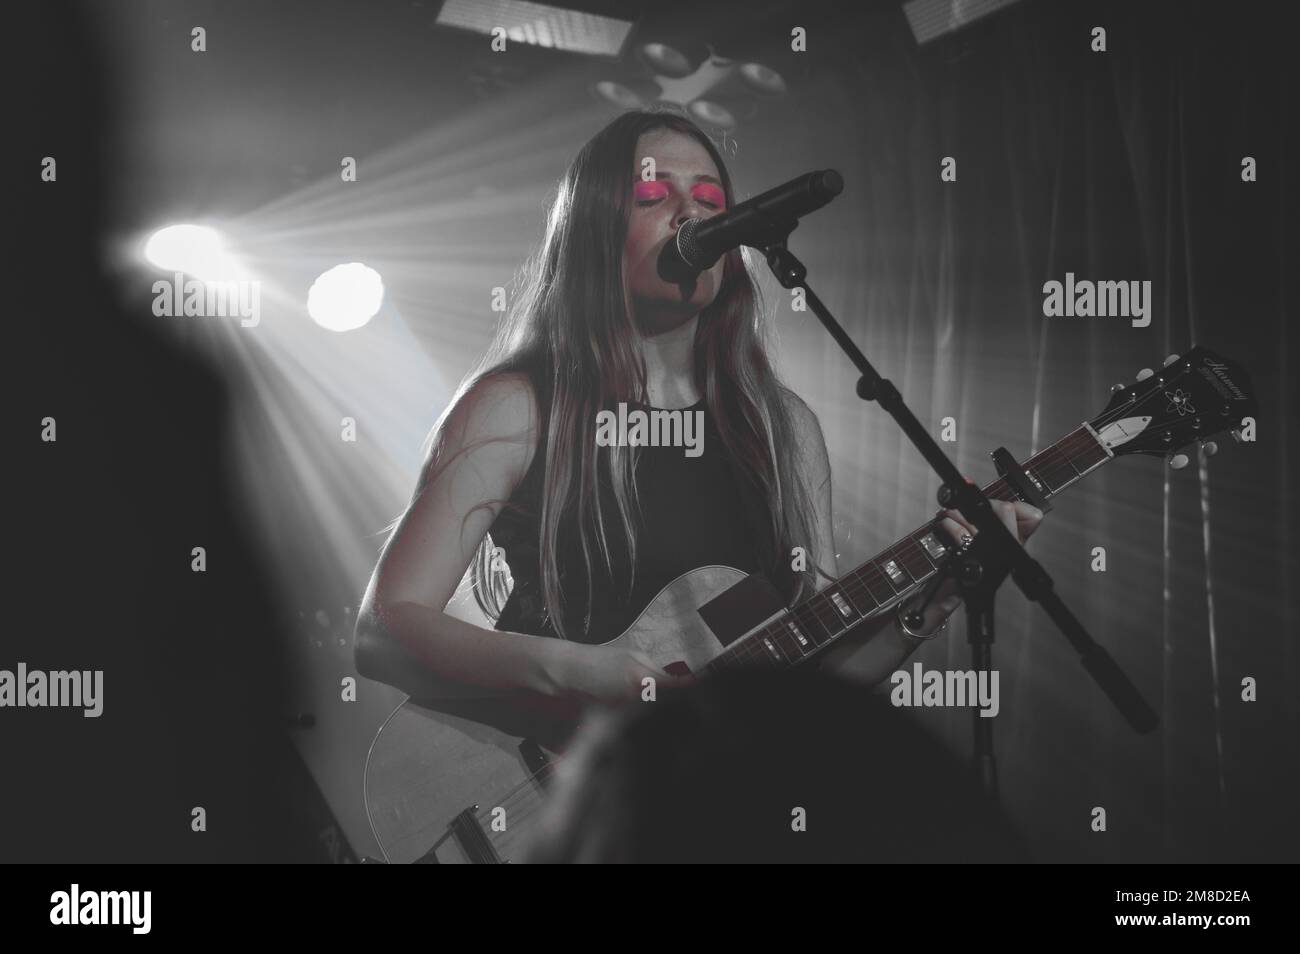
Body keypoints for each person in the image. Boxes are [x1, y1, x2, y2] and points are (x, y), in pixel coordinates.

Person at [353, 108, 1042, 709]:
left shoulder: (783, 429)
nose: (692, 213)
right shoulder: (517, 405)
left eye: (711, 198)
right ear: (594, 232)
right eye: (653, 195)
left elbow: (811, 677)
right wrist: (576, 674)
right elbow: (385, 629)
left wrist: (931, 603)